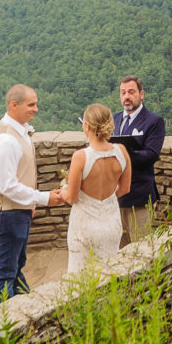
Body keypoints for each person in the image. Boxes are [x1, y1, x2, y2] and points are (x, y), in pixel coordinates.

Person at [0, 85, 49, 303]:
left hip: (17, 212)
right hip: (6, 215)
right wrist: (45, 198)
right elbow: (7, 187)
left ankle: (25, 306)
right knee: (5, 273)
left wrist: (29, 206)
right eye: (31, 104)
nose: (36, 109)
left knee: (16, 264)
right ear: (14, 105)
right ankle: (8, 323)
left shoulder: (20, 131)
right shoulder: (5, 140)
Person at [58, 102, 128, 274]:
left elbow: (72, 198)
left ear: (86, 126)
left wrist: (63, 190)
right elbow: (125, 188)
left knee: (80, 279)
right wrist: (106, 202)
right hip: (112, 225)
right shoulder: (121, 151)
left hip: (85, 228)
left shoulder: (81, 157)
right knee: (109, 273)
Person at [112, 75, 165, 244]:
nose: (127, 96)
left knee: (140, 246)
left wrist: (121, 153)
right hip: (115, 195)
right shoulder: (114, 119)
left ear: (141, 94)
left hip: (139, 196)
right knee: (117, 246)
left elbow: (151, 154)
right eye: (123, 93)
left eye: (131, 92)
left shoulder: (154, 121)